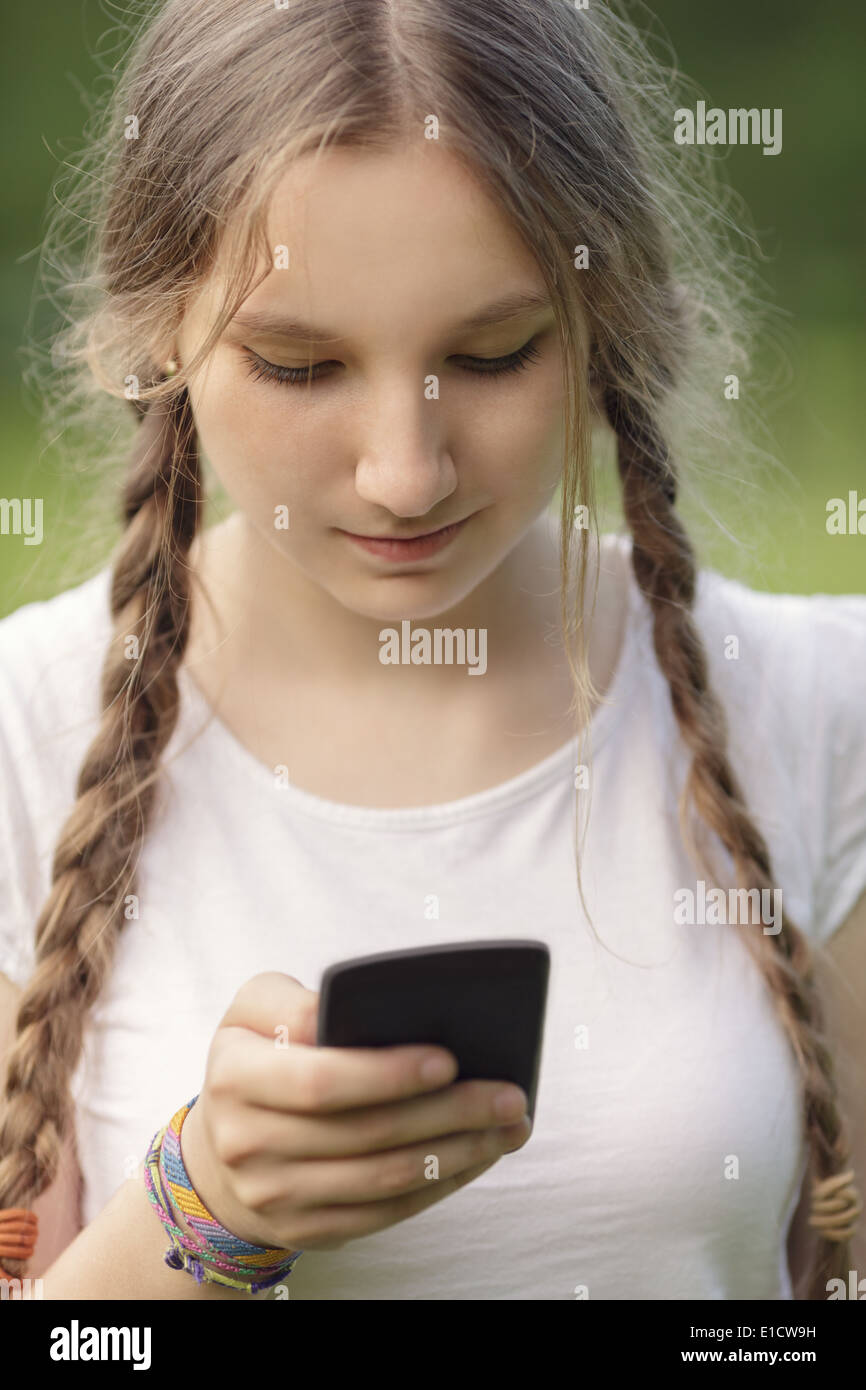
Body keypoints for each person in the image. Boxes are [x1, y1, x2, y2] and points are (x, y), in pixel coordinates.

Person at [0, 0, 863, 1301]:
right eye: (299, 364)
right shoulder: (26, 736)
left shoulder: (814, 707)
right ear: (152, 336)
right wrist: (205, 1211)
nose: (405, 474)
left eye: (492, 351)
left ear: (602, 321)